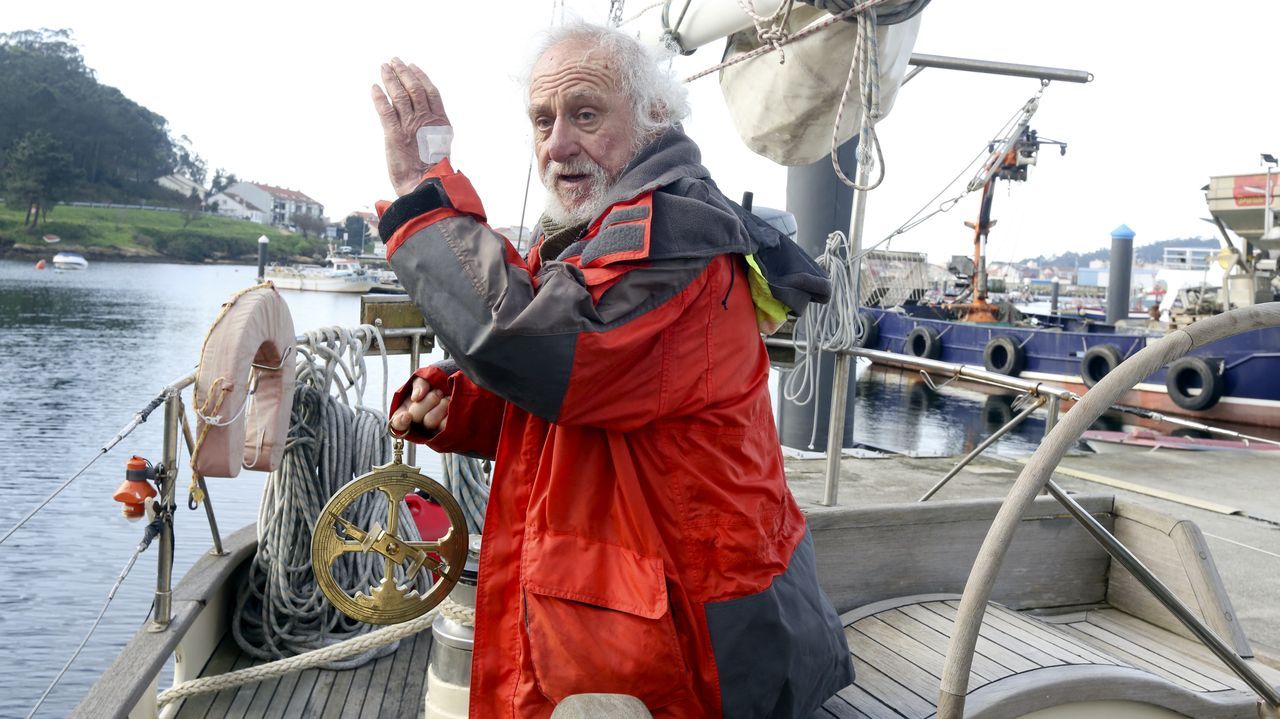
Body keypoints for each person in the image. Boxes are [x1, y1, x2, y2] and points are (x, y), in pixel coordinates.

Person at [373, 22, 853, 718]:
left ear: (655, 117)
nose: (557, 145)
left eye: (585, 114)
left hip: (685, 658)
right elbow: (597, 394)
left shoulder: (668, 243)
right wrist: (468, 403)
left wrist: (423, 192)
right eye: (542, 121)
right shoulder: (597, 231)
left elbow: (538, 348)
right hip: (628, 627)